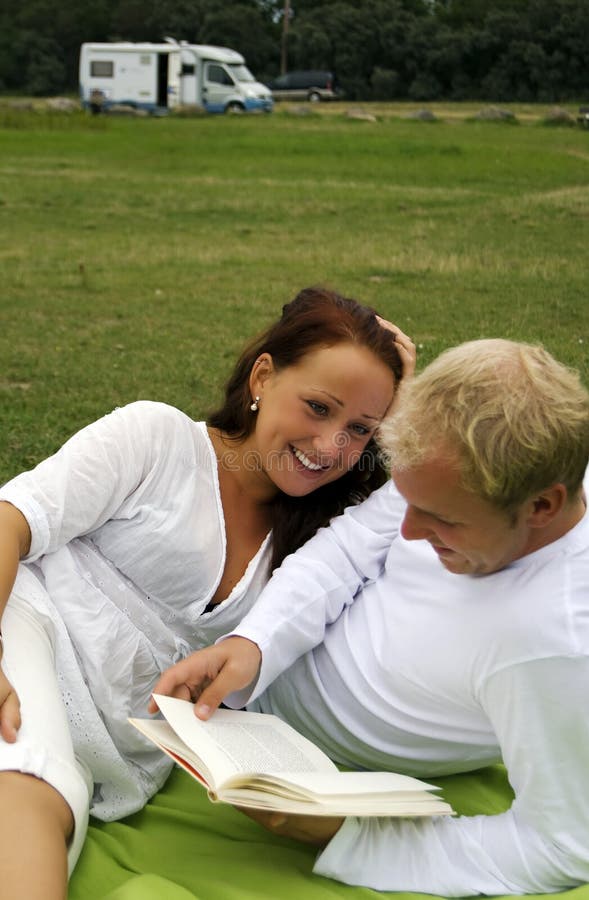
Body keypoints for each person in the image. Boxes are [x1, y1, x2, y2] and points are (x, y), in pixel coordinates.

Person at [0, 285, 414, 900]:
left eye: (360, 429)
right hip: (30, 632)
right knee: (34, 786)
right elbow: (14, 518)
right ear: (263, 377)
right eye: (319, 408)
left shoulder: (316, 548)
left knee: (63, 800)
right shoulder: (159, 440)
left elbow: (430, 500)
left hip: (125, 744)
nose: (332, 447)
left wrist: (411, 409)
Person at [154, 338, 589, 897]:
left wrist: (348, 835)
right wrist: (257, 643)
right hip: (247, 670)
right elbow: (355, 544)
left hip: (313, 771)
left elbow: (560, 847)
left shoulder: (556, 646)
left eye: (440, 520)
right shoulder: (467, 471)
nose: (407, 534)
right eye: (405, 502)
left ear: (543, 507)